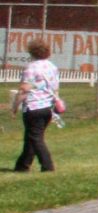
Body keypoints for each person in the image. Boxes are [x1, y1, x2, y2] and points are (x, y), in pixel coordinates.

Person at [13, 39, 58, 172]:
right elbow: (55, 88)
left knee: (35, 138)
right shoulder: (52, 67)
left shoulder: (31, 67)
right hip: (48, 106)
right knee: (32, 136)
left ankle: (47, 166)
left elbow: (24, 89)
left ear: (32, 52)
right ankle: (22, 166)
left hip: (33, 107)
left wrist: (15, 106)